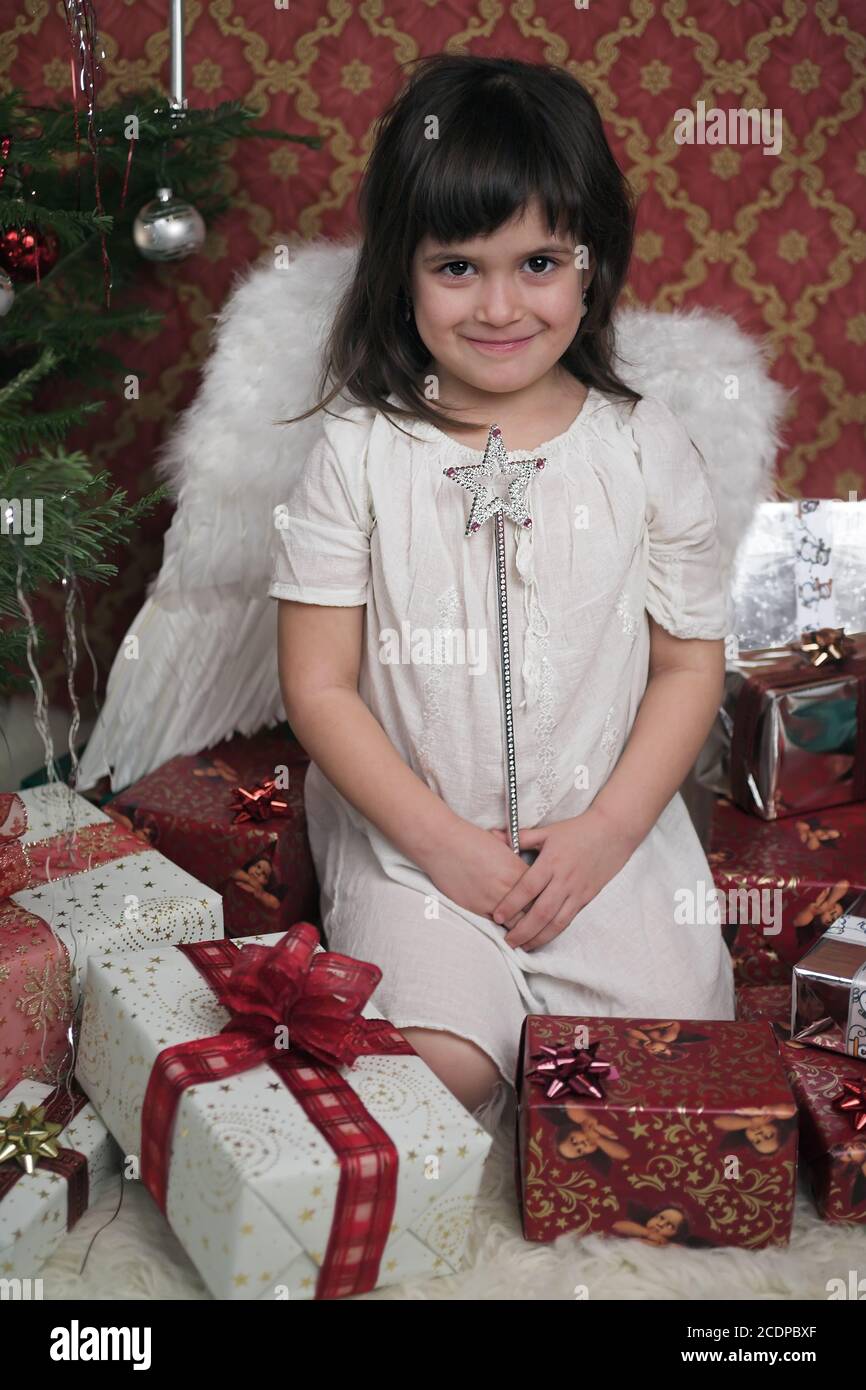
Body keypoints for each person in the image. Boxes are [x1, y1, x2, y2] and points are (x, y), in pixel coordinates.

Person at [269, 54, 735, 1131]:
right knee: (442, 1070)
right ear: (399, 269)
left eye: (535, 262)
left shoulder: (643, 445)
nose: (497, 307)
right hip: (412, 832)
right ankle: (445, 980)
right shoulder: (357, 452)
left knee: (653, 1066)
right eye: (455, 266)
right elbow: (319, 686)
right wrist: (440, 845)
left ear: (591, 264)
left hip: (600, 834)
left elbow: (684, 663)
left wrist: (610, 830)